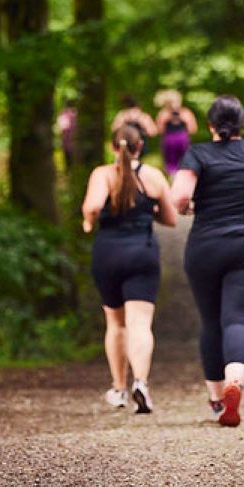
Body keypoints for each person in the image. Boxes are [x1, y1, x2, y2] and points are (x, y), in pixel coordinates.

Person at [170, 95, 244, 427]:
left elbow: (180, 196)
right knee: (237, 319)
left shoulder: (197, 153)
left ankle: (215, 399)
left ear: (210, 124)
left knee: (211, 321)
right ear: (241, 123)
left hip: (205, 247)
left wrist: (187, 209)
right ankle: (234, 381)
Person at [82, 124, 178, 413]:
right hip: (142, 253)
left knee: (115, 322)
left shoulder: (103, 174)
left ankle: (119, 388)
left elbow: (92, 206)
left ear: (114, 148)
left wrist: (88, 222)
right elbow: (172, 219)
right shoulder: (153, 176)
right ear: (141, 147)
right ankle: (141, 382)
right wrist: (148, 211)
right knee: (140, 323)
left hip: (108, 252)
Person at [153, 89, 198, 177]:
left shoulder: (185, 112)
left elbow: (193, 129)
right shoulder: (164, 113)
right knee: (171, 166)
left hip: (181, 139)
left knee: (184, 163)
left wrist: (182, 119)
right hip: (169, 141)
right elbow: (159, 130)